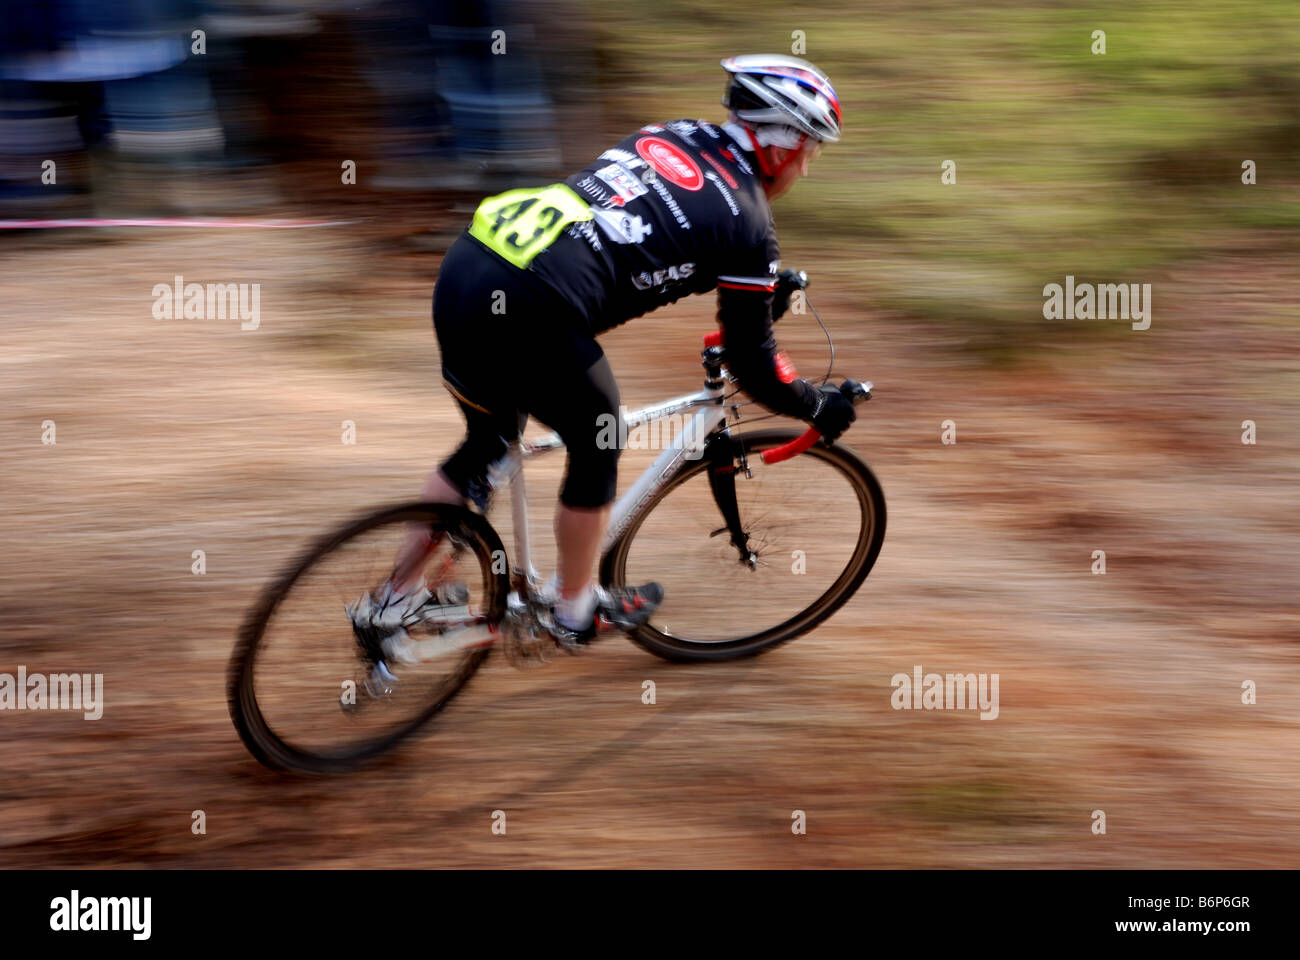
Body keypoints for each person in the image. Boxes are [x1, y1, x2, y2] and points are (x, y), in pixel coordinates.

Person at [372, 54, 855, 651]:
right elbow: (754, 368)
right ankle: (575, 612)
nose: (805, 169)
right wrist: (815, 405)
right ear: (780, 144)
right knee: (600, 432)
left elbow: (647, 230)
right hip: (532, 308)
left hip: (471, 267)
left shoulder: (670, 133)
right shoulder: (752, 225)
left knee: (486, 446)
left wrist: (756, 295)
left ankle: (393, 601)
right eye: (809, 150)